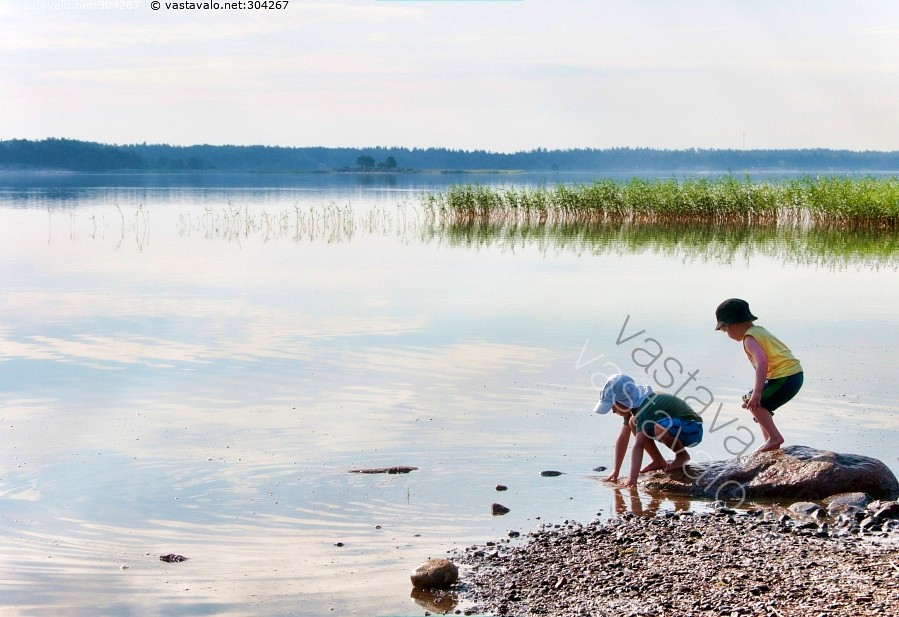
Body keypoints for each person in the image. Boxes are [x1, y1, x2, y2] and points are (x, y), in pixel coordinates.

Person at [715, 298, 804, 452]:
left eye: (724, 329)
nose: (726, 333)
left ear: (733, 324)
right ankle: (770, 441)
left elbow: (762, 363)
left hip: (786, 377)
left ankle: (775, 438)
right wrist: (755, 394)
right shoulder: (759, 331)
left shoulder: (749, 339)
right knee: (753, 402)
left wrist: (757, 393)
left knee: (758, 403)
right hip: (791, 375)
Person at [594, 374, 703, 487]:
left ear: (625, 400)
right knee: (633, 422)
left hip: (693, 428)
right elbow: (623, 438)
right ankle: (658, 460)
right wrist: (616, 470)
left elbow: (639, 445)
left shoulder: (644, 408)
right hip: (676, 427)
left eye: (613, 406)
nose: (613, 411)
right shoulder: (634, 407)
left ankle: (682, 456)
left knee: (659, 428)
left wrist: (632, 478)